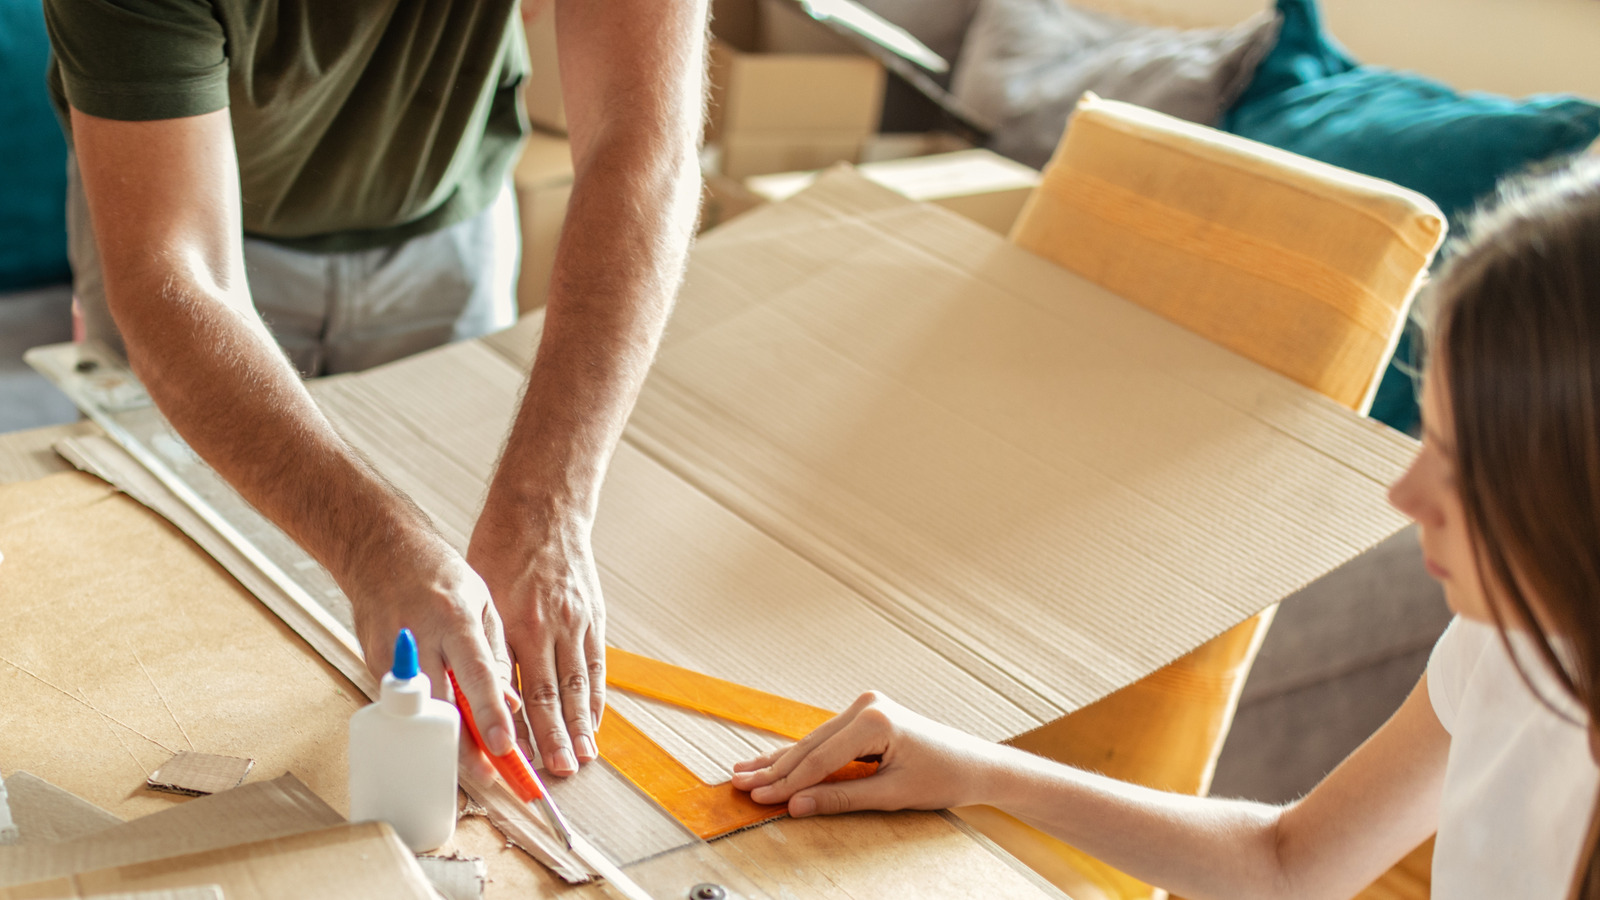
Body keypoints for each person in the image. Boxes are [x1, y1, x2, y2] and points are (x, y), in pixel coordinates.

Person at [733, 157, 1600, 899]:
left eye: (1469, 465)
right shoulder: (1508, 638)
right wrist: (980, 769)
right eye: (1429, 442)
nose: (1405, 496)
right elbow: (1289, 865)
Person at [42, 0, 709, 780]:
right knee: (164, 604)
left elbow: (642, 144)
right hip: (184, 210)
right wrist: (372, 546)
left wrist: (548, 509)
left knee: (452, 600)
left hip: (441, 216)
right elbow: (174, 273)